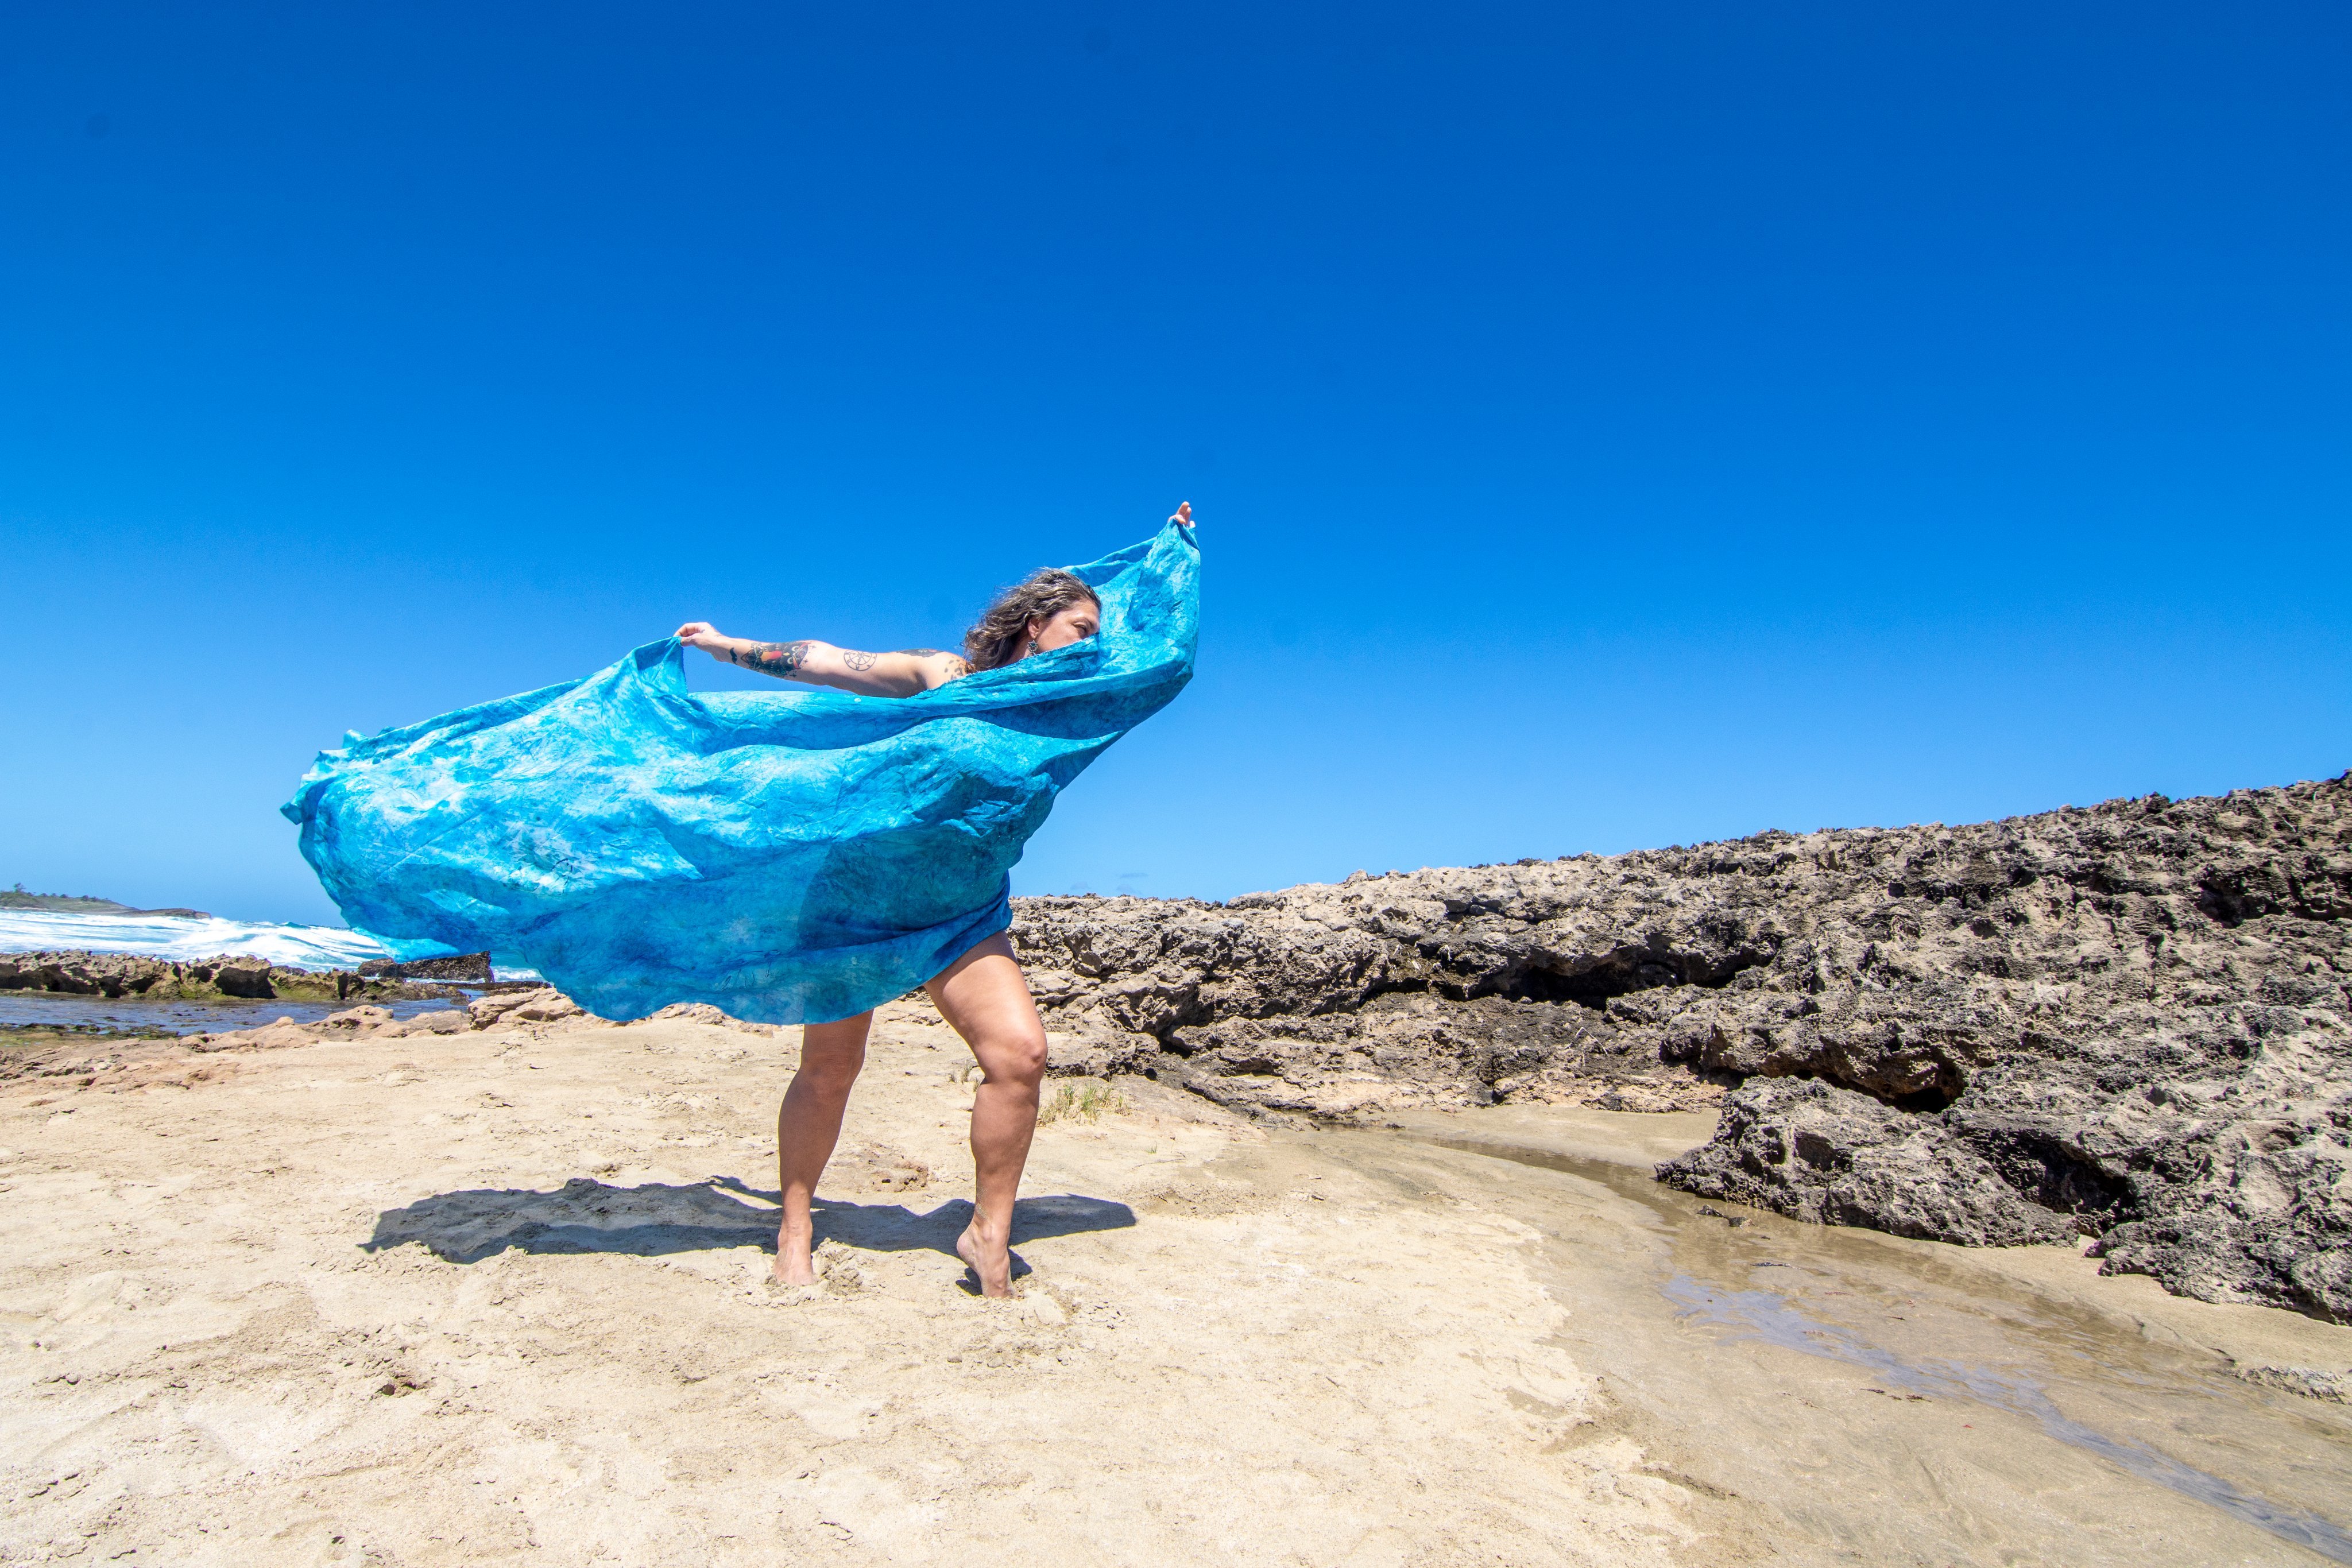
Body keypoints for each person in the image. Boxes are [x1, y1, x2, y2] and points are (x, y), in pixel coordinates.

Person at [669, 502, 1194, 1298]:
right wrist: (724, 646)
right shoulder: (946, 677)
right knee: (831, 1068)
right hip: (854, 897)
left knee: (1020, 1058)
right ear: (1033, 624)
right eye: (1082, 628)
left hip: (961, 911)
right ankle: (796, 1223)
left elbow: (1162, 662)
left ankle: (988, 1230)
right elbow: (824, 661)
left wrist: (1174, 554)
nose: (1095, 645)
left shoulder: (1065, 719)